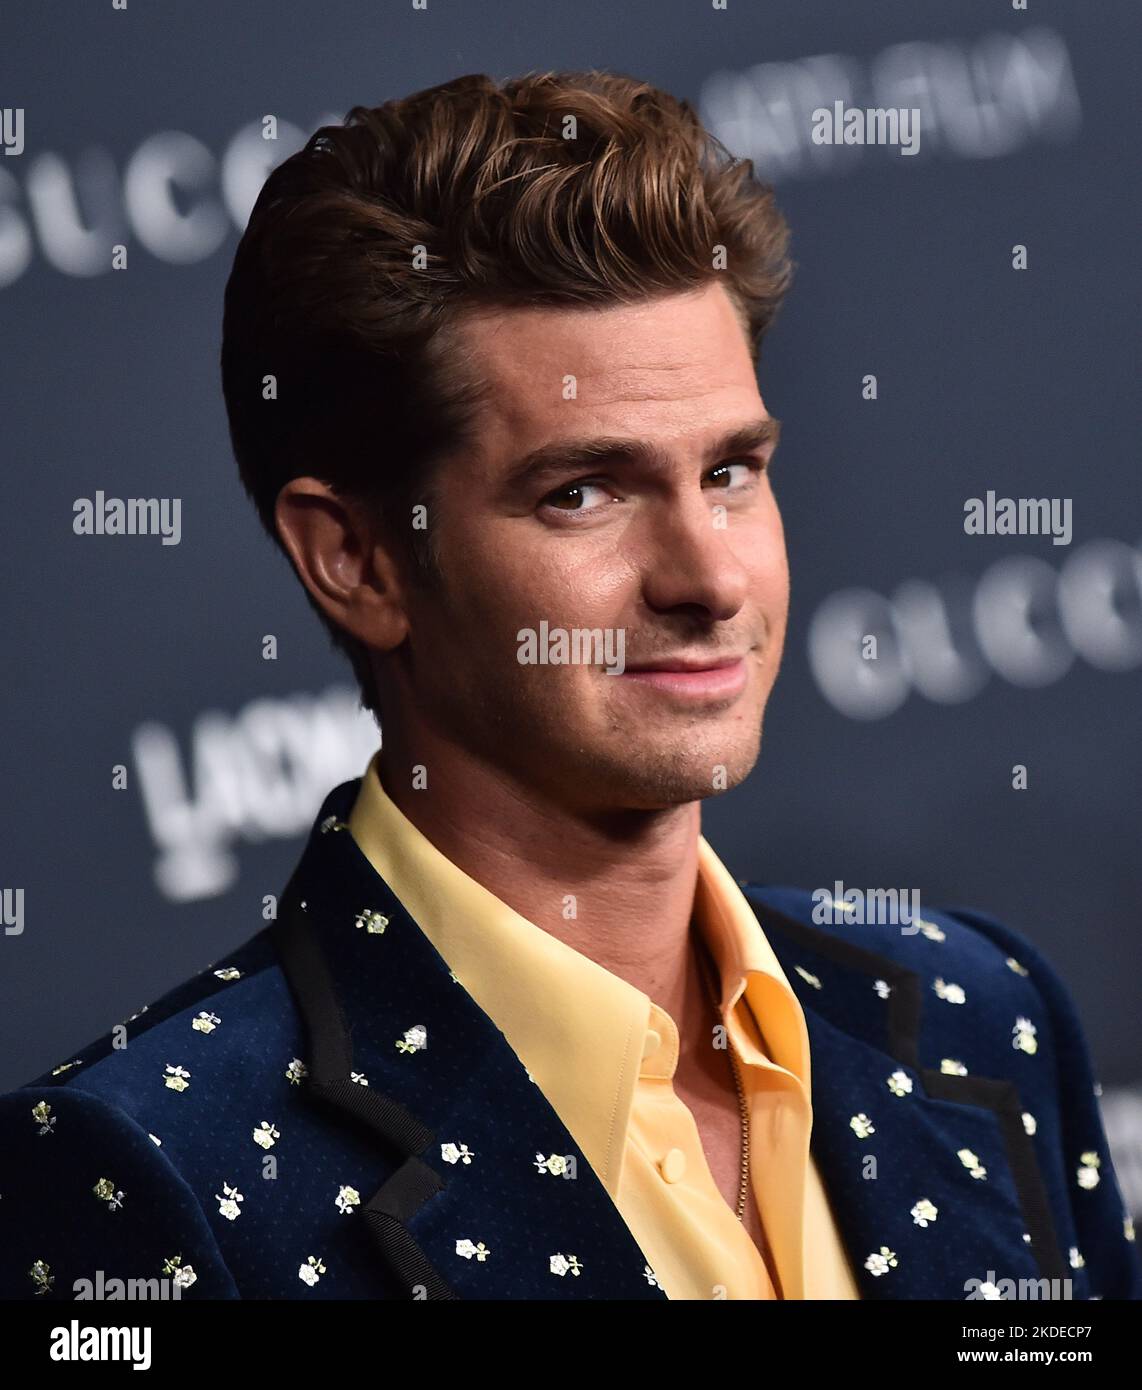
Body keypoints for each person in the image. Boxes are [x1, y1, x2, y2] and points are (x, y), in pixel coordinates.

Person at [2, 70, 1136, 1302]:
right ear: (358, 559)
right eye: (581, 492)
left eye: (731, 471)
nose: (707, 576)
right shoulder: (145, 1174)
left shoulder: (979, 1013)